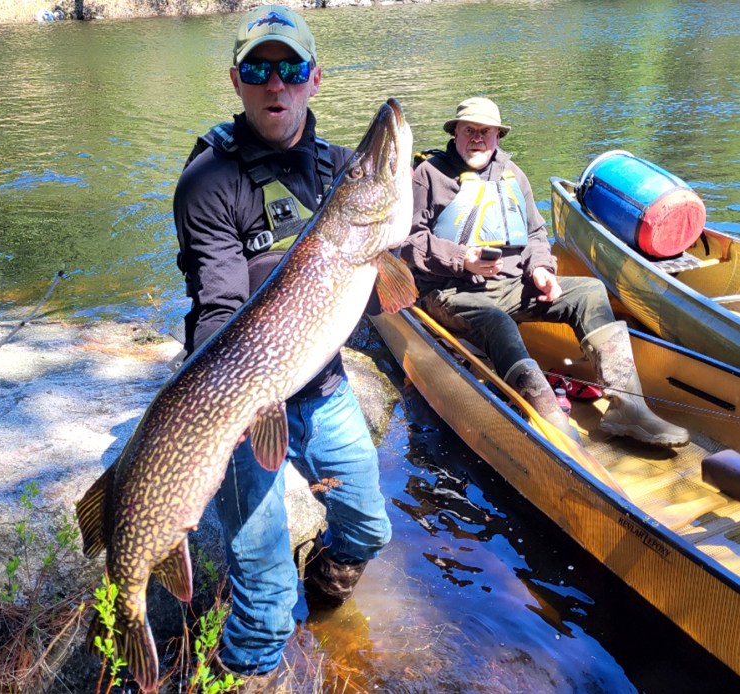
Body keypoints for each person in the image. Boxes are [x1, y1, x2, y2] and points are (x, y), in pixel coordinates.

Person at [172, 5, 391, 689]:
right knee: (264, 600)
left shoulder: (342, 170)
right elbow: (216, 309)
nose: (276, 84)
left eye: (289, 68)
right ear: (236, 80)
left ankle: (325, 609)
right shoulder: (210, 179)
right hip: (240, 403)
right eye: (259, 70)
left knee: (368, 529)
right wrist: (223, 410)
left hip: (322, 387)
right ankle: (246, 672)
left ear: (313, 79)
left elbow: (385, 290)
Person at [401, 96, 688, 448]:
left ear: (497, 137)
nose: (477, 138)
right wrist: (463, 259)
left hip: (510, 285)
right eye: (469, 130)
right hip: (449, 292)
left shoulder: (512, 174)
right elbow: (407, 243)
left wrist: (541, 269)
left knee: (589, 293)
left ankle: (628, 409)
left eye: (485, 132)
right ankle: (547, 418)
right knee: (496, 321)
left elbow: (536, 234)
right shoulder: (428, 177)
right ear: (455, 133)